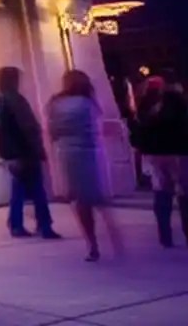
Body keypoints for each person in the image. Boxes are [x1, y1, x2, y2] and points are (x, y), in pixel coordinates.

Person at [47, 70, 123, 261]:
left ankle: (92, 245)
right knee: (99, 199)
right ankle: (116, 241)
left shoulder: (56, 104)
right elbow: (98, 126)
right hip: (89, 152)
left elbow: (52, 131)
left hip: (66, 153)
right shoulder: (88, 103)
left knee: (81, 202)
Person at [0, 66, 61, 239]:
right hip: (25, 152)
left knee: (19, 190)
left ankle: (17, 224)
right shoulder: (15, 100)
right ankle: (44, 224)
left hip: (13, 152)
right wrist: (38, 149)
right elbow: (28, 127)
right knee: (37, 189)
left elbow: (2, 131)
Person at [130, 76, 188, 247]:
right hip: (180, 153)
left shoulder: (148, 107)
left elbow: (140, 130)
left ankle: (165, 235)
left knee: (162, 193)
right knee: (185, 194)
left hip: (156, 154)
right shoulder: (181, 105)